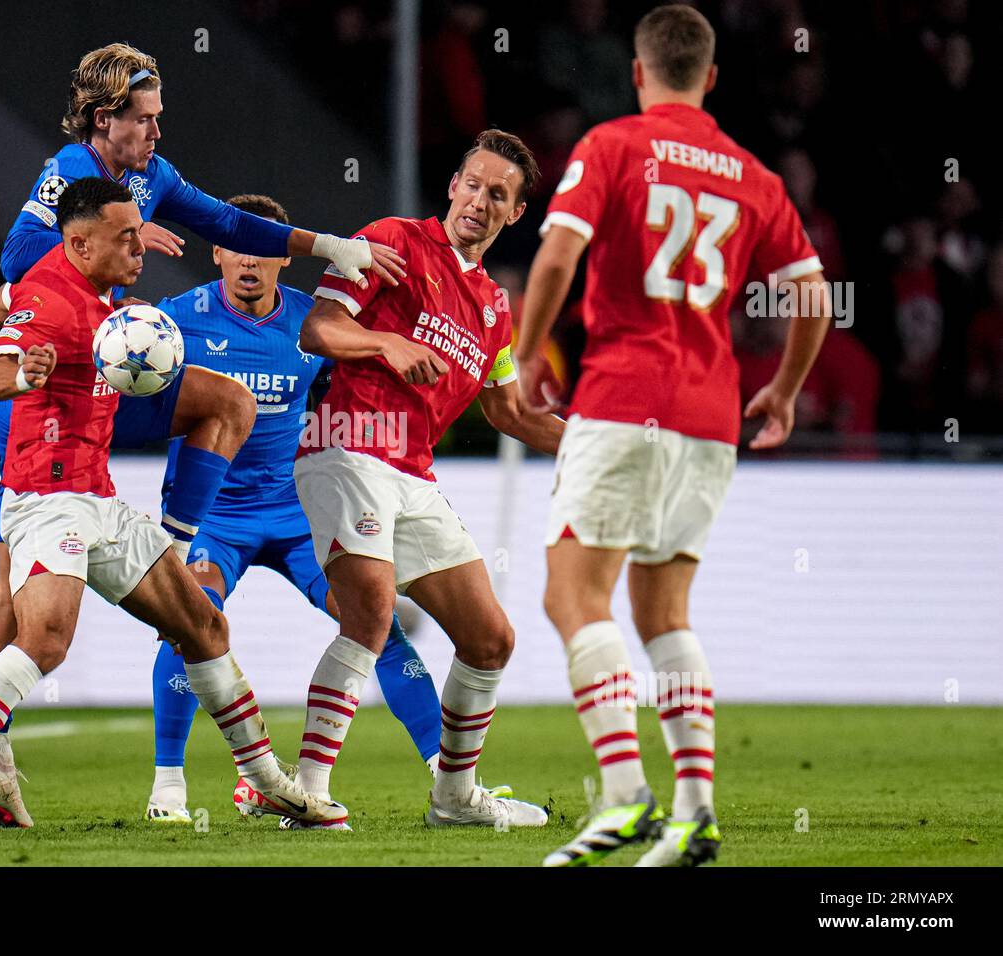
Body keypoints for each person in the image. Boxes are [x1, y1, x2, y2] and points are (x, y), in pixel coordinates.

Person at [0, 42, 406, 827]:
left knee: (224, 403)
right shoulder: (70, 168)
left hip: (104, 379)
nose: (158, 132)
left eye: (159, 117)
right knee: (11, 581)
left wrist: (327, 247)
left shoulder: (152, 179)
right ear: (106, 121)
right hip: (43, 388)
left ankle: (172, 540)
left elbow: (230, 222)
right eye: (145, 119)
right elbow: (17, 258)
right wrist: (115, 242)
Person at [0, 178, 345, 834]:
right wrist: (29, 370)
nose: (142, 247)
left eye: (140, 233)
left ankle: (265, 780)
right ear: (79, 243)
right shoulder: (52, 296)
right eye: (127, 237)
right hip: (48, 499)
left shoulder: (95, 293)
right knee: (47, 642)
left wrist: (23, 305)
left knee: (204, 627)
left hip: (100, 499)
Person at [516, 4, 831, 867]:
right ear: (712, 78)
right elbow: (813, 296)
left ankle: (624, 797)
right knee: (663, 614)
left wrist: (525, 356)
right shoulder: (752, 175)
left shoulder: (614, 146)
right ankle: (696, 811)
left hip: (624, 397)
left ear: (638, 71)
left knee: (572, 597)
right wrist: (785, 391)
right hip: (710, 413)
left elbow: (554, 258)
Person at [141, 194, 445, 827]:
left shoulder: (314, 325)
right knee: (190, 622)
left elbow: (382, 365)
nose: (250, 260)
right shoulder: (177, 320)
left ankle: (450, 779)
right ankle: (168, 784)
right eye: (238, 247)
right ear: (218, 251)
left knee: (376, 623)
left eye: (266, 249)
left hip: (298, 510)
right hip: (213, 518)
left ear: (285, 258)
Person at [292, 129, 564, 828]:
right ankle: (305, 791)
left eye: (497, 194)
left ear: (515, 214)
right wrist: (386, 340)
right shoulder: (392, 242)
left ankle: (454, 799)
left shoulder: (496, 310)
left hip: (411, 473)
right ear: (453, 185)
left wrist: (591, 443)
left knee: (490, 639)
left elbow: (508, 410)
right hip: (346, 444)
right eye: (473, 184)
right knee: (371, 613)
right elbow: (318, 330)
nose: (480, 200)